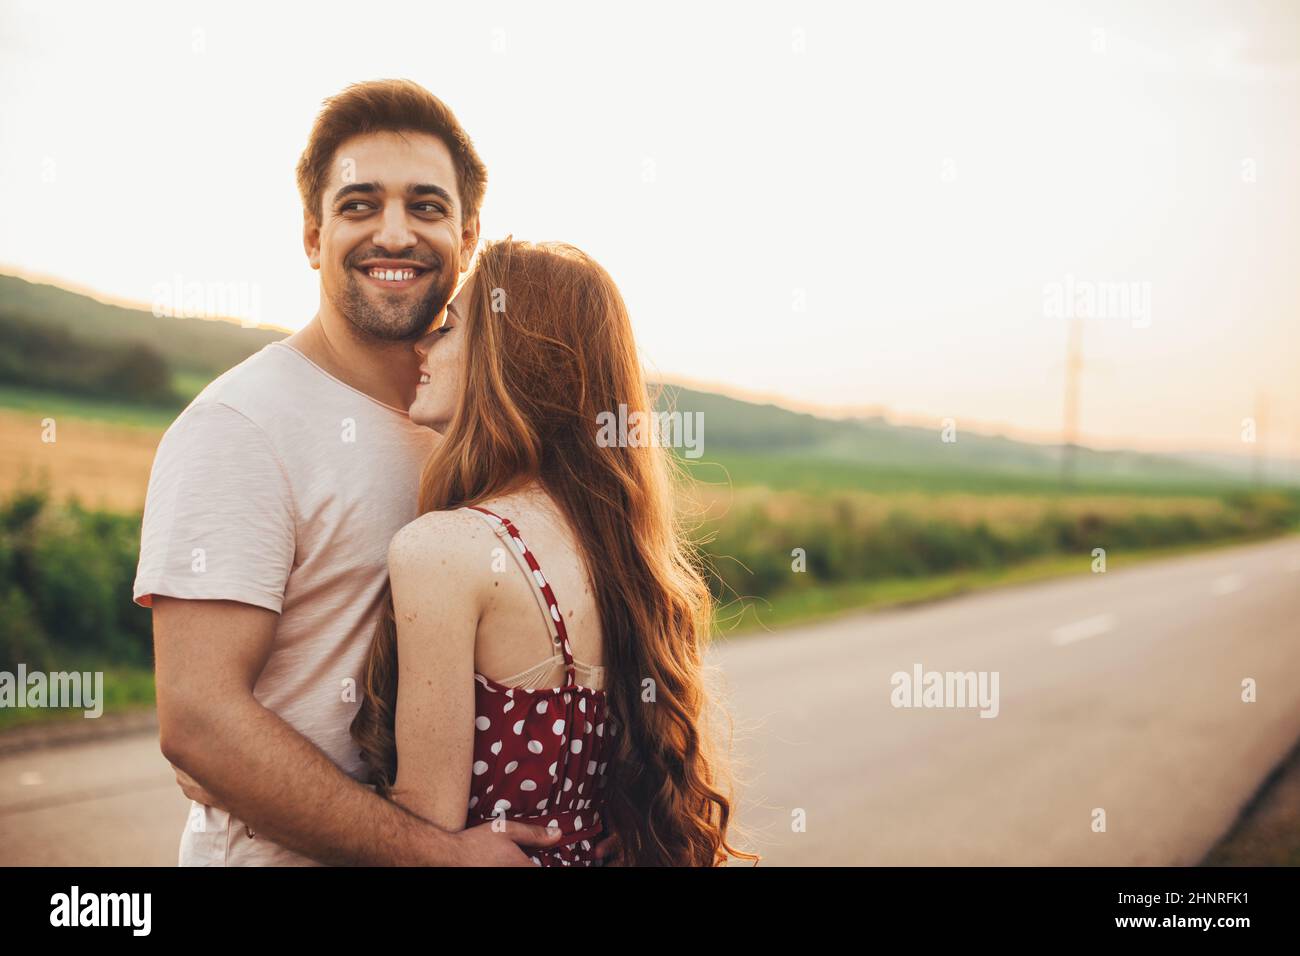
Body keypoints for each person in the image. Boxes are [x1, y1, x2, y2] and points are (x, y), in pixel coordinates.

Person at [135, 79, 570, 865]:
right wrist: (436, 856)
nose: (394, 233)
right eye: (360, 204)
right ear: (312, 234)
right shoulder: (239, 429)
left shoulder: (480, 426)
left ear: (468, 236)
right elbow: (199, 722)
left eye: (427, 207)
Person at [350, 239, 756, 866]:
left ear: (509, 357)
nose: (421, 346)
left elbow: (422, 827)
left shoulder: (444, 549)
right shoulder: (615, 550)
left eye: (448, 328)